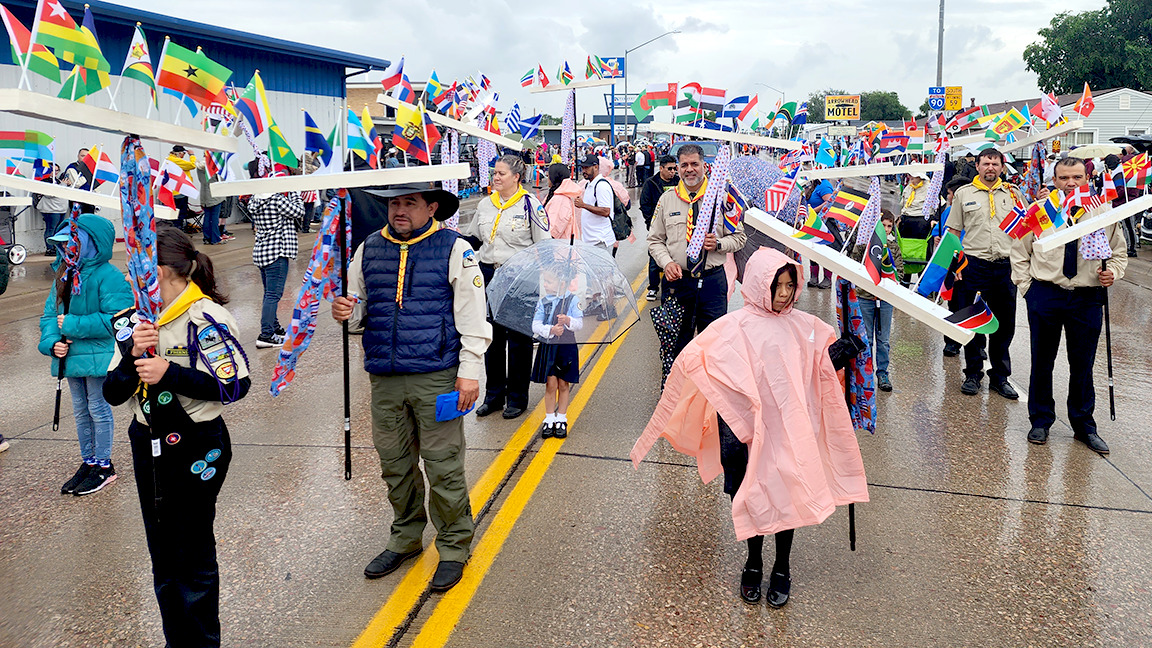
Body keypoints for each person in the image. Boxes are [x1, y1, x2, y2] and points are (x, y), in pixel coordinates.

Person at [632, 248, 869, 608]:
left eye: (791, 285)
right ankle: (754, 561)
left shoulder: (804, 326)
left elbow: (815, 368)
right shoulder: (733, 326)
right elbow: (697, 359)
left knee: (787, 491)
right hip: (743, 437)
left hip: (787, 431)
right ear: (761, 283)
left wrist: (841, 352)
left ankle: (783, 566)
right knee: (751, 494)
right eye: (779, 285)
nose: (786, 293)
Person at [331, 182, 491, 592]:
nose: (399, 210)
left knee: (443, 464)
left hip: (437, 375)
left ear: (431, 207)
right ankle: (405, 537)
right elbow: (359, 308)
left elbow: (473, 317)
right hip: (384, 376)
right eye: (394, 203)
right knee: (395, 464)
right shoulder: (368, 248)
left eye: (409, 203)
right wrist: (345, 312)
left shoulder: (456, 249)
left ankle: (454, 545)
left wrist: (469, 371)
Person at [102, 227, 249, 647]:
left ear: (161, 271)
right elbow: (114, 393)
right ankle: (176, 640)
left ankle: (202, 642)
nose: (129, 279)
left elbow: (235, 386)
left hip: (195, 443)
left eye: (136, 271)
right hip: (146, 443)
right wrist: (132, 359)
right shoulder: (136, 320)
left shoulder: (206, 318)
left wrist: (172, 374)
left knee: (193, 556)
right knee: (164, 556)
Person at [1011, 157, 1127, 455]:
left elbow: (1118, 254)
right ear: (1055, 180)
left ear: (1087, 178)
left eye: (1077, 177)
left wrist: (1111, 272)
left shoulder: (1101, 212)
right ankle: (1040, 420)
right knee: (1043, 360)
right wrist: (1028, 289)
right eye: (1064, 178)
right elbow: (1020, 252)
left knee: (1083, 364)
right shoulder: (1040, 212)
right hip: (1046, 294)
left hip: (1087, 297)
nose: (1071, 183)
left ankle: (1084, 424)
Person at [39, 214, 134, 496]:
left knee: (98, 409)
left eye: (74, 244)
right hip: (69, 357)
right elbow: (48, 316)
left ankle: (104, 465)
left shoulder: (109, 276)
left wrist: (72, 326)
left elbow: (119, 319)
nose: (68, 250)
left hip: (98, 356)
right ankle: (89, 461)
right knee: (81, 412)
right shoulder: (62, 274)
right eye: (64, 245)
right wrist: (52, 343)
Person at [464, 154, 550, 419]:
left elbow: (544, 246)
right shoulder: (485, 205)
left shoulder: (530, 205)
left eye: (501, 174)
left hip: (520, 278)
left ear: (516, 177)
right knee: (493, 339)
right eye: (494, 173)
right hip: (489, 276)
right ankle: (494, 395)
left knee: (519, 341)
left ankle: (517, 397)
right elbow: (475, 239)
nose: (496, 178)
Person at [648, 143, 747, 363]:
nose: (689, 169)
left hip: (712, 283)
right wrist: (666, 263)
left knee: (713, 345)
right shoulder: (667, 200)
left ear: (705, 166)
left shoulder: (722, 199)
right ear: (678, 167)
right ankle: (676, 392)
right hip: (678, 283)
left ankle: (708, 395)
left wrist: (718, 244)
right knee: (675, 345)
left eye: (695, 164)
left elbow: (740, 238)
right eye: (684, 165)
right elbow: (654, 241)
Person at [948, 149, 1022, 399]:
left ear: (1002, 166)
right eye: (986, 163)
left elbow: (1026, 230)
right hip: (974, 266)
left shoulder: (1013, 194)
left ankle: (1000, 377)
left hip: (1005, 267)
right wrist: (953, 266)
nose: (991, 167)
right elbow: (953, 232)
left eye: (995, 163)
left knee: (1004, 324)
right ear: (977, 166)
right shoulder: (963, 194)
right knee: (974, 323)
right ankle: (973, 373)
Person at [850, 210, 903, 391]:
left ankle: (882, 373)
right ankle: (866, 372)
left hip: (885, 299)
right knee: (867, 338)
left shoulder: (894, 247)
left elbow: (899, 272)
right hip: (865, 297)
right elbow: (853, 263)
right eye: (883, 226)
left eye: (890, 226)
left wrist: (889, 284)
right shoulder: (866, 244)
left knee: (883, 339)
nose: (886, 230)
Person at [530, 268, 583, 439]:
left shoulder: (573, 300)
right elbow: (535, 325)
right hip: (550, 346)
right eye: (544, 281)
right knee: (551, 384)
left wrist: (568, 321)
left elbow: (579, 324)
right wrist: (550, 330)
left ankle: (561, 418)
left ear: (562, 283)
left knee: (563, 384)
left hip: (566, 347)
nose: (545, 285)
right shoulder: (544, 302)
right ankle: (549, 418)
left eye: (549, 282)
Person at [249, 188, 304, 348]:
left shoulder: (254, 200)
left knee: (269, 294)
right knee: (273, 295)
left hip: (262, 251)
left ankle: (275, 328)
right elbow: (299, 211)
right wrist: (294, 192)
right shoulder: (277, 200)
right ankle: (266, 335)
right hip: (277, 251)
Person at [938, 177, 970, 357]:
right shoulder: (947, 211)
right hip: (952, 264)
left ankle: (973, 343)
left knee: (969, 305)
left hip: (969, 262)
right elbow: (942, 234)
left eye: (949, 194)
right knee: (954, 303)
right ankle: (952, 342)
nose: (947, 197)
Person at [640, 154, 678, 301]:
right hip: (658, 227)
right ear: (661, 168)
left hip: (675, 227)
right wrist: (652, 222)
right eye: (669, 169)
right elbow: (645, 205)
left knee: (675, 256)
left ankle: (672, 288)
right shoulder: (651, 183)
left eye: (675, 169)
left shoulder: (679, 182)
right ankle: (653, 287)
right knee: (655, 257)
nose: (673, 172)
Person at [575, 154, 616, 254]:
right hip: (591, 242)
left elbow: (606, 211)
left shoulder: (601, 186)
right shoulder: (589, 184)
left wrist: (583, 205)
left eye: (587, 168)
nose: (584, 171)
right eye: (582, 168)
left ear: (596, 167)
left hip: (600, 241)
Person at [804, 178, 835, 289]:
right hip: (812, 223)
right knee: (813, 249)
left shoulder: (824, 185)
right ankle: (814, 277)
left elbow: (829, 202)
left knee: (825, 250)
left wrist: (814, 211)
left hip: (823, 223)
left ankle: (827, 278)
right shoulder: (812, 184)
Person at [542, 163, 582, 240]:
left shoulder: (560, 199)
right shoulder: (559, 194)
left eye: (549, 176)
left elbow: (554, 229)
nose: (548, 178)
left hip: (557, 246)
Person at [195, 155, 226, 246]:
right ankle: (215, 238)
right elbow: (221, 179)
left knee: (207, 218)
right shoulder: (214, 166)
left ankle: (207, 237)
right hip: (214, 193)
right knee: (215, 218)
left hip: (204, 194)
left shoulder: (199, 166)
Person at [36, 166, 66, 255]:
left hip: (61, 209)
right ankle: (49, 249)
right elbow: (51, 194)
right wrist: (63, 185)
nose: (56, 172)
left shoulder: (59, 181)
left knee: (58, 229)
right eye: (53, 170)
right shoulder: (45, 181)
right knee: (51, 228)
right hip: (51, 210)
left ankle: (56, 247)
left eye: (57, 170)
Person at [166, 146, 197, 231]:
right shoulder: (175, 160)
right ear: (179, 153)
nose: (184, 155)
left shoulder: (171, 159)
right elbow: (192, 165)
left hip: (177, 191)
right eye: (183, 153)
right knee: (180, 214)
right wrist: (192, 155)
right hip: (179, 192)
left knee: (176, 214)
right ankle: (178, 231)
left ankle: (177, 230)